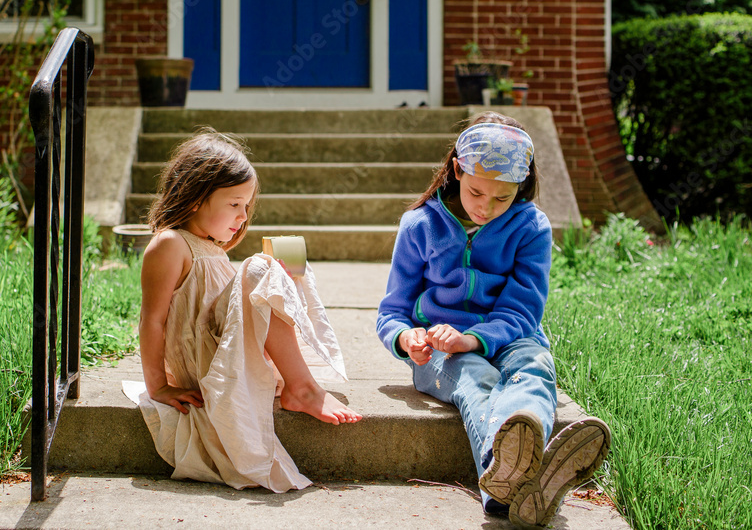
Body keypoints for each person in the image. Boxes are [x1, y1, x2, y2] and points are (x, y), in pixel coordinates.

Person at [375, 112, 611, 528]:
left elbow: (522, 309)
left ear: (521, 187)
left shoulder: (531, 227)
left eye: (502, 198)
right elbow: (392, 311)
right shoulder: (419, 224)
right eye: (476, 192)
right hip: (439, 352)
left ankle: (510, 484)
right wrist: (405, 337)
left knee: (534, 371)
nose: (486, 207)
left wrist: (474, 338)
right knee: (476, 381)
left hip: (512, 335)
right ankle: (525, 482)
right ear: (456, 170)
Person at [138, 130, 361, 493]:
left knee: (285, 259)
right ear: (196, 199)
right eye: (235, 204)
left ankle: (295, 373)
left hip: (225, 351)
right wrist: (158, 386)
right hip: (202, 363)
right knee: (260, 270)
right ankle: (301, 387)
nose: (243, 217)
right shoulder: (170, 244)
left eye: (246, 206)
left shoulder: (215, 252)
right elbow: (153, 320)